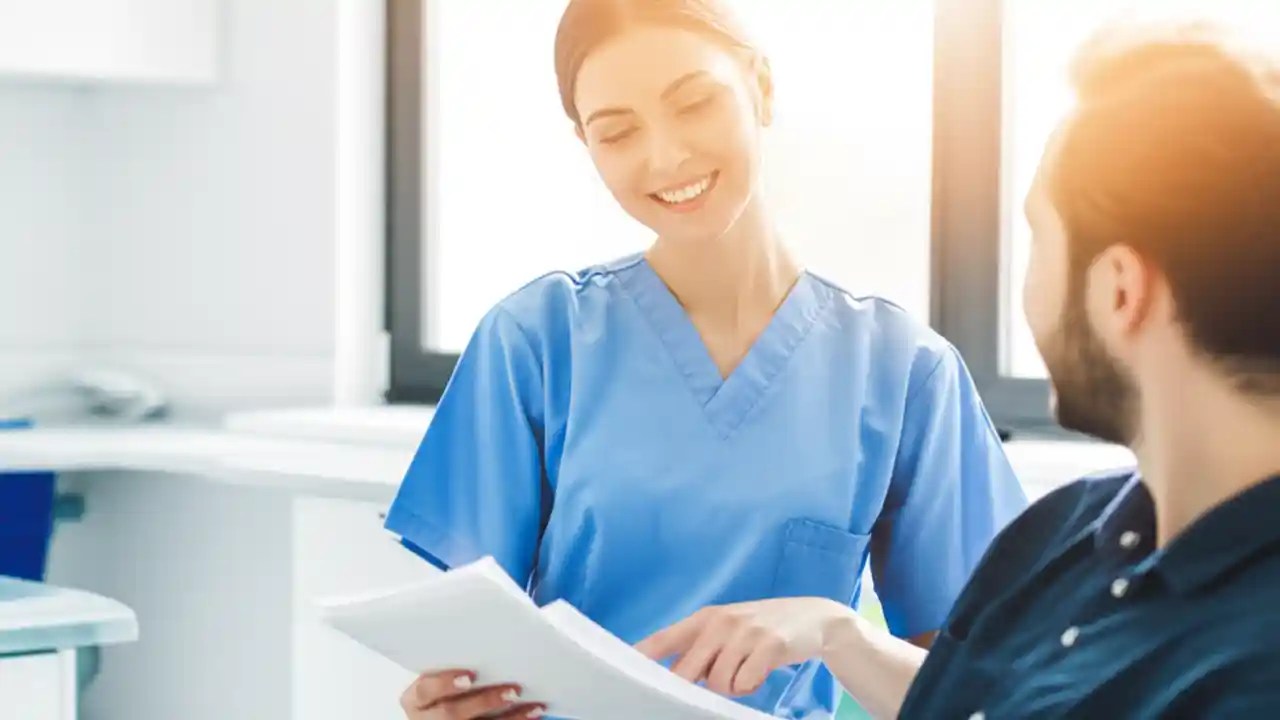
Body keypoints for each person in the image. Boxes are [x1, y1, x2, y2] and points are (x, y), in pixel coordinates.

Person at [386, 0, 1026, 718]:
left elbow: (977, 697)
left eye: (693, 103)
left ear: (762, 86)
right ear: (585, 143)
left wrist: (834, 631)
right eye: (618, 131)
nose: (665, 157)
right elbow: (474, 654)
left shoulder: (903, 372)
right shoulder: (535, 344)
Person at [637, 19, 1280, 718]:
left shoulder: (1253, 668)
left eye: (1040, 240)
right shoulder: (1065, 533)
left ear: (1121, 290)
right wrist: (835, 633)